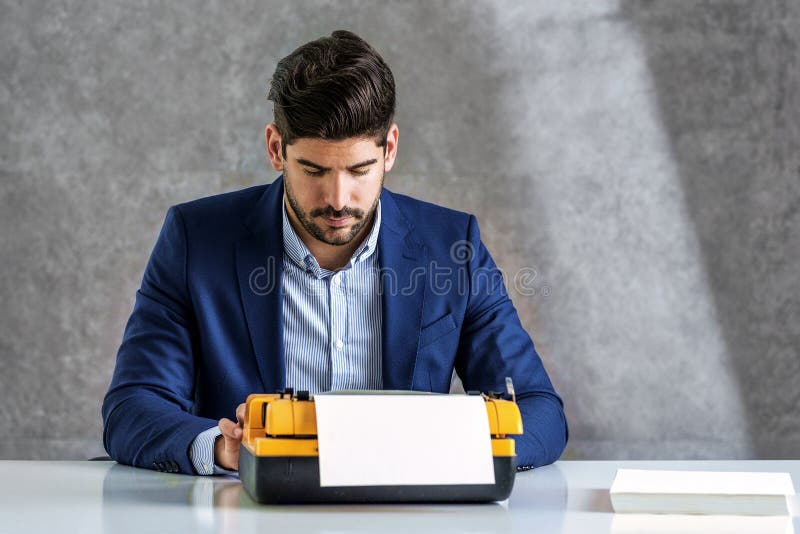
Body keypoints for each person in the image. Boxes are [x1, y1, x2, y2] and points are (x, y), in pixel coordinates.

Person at [102, 30, 568, 475]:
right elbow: (133, 407)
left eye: (360, 169)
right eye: (314, 170)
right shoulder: (195, 240)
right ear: (275, 148)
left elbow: (539, 411)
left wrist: (449, 449)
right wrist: (225, 448)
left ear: (389, 149)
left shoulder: (453, 248)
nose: (338, 199)